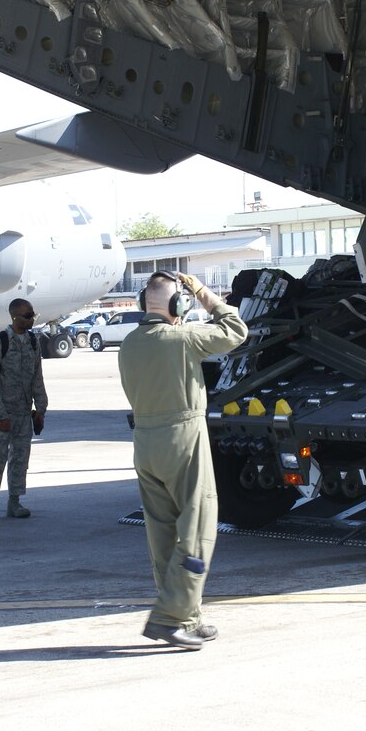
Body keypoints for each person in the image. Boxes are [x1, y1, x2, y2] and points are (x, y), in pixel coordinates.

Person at [117, 271, 247, 650]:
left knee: (162, 533)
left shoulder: (129, 343)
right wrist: (204, 293)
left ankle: (187, 617)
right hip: (182, 438)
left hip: (145, 442)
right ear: (179, 305)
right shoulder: (183, 339)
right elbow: (235, 329)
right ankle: (169, 617)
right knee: (197, 529)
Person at [0, 298, 48, 523]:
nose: (31, 318)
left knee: (20, 458)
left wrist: (41, 409)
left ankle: (14, 502)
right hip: (3, 413)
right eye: (27, 315)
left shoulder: (33, 341)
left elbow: (37, 376)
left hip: (24, 413)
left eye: (32, 314)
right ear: (15, 317)